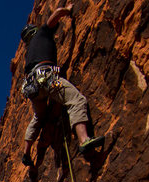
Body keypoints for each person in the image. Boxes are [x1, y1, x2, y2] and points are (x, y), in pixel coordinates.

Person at [20, 3, 103, 167]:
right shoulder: (42, 33)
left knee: (38, 117)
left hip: (32, 87)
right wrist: (68, 10)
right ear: (34, 32)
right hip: (48, 78)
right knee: (76, 100)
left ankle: (26, 153)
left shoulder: (29, 53)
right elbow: (55, 15)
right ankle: (84, 140)